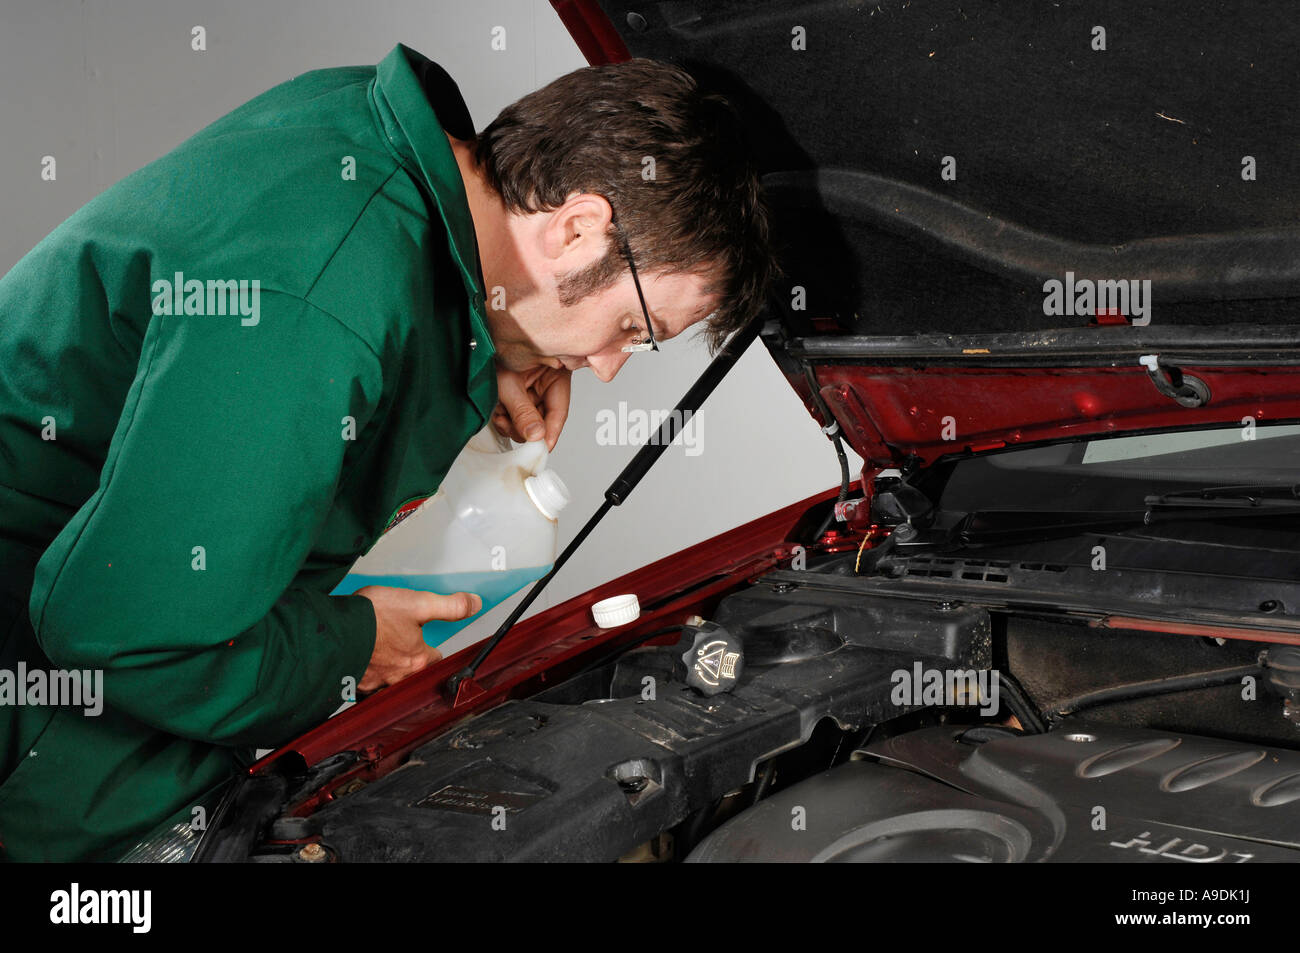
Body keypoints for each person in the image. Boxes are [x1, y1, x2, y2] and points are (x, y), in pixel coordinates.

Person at [0, 43, 773, 861]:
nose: (612, 367)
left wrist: (498, 344)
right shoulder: (316, 302)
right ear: (577, 227)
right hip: (50, 693)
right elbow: (123, 634)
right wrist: (352, 645)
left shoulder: (380, 144)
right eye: (633, 330)